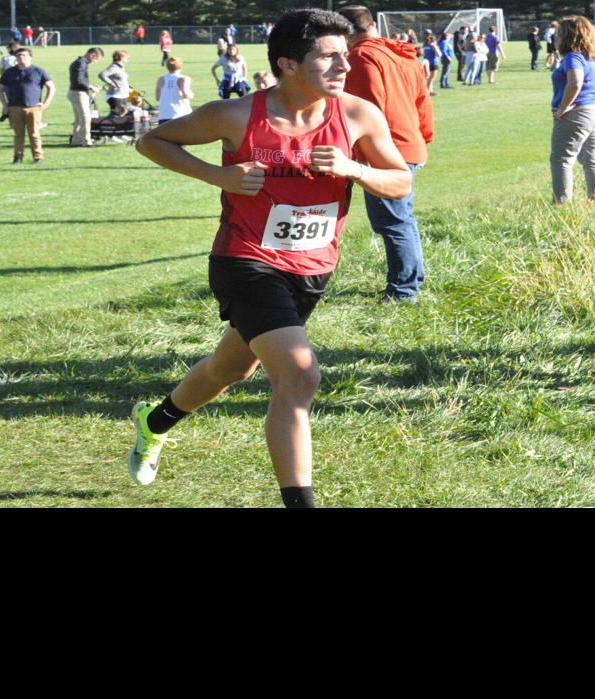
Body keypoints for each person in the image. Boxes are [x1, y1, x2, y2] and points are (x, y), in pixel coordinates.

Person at [128, 8, 413, 507]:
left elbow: (402, 181)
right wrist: (221, 177)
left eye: (344, 56)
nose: (343, 67)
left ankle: (156, 422)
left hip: (312, 268)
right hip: (245, 259)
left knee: (230, 369)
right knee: (299, 374)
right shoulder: (237, 115)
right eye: (327, 58)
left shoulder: (357, 115)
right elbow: (151, 141)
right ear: (287, 64)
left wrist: (355, 169)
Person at [337, 6, 434, 303]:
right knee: (402, 218)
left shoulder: (362, 57)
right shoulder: (402, 54)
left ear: (347, 32)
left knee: (392, 222)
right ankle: (411, 280)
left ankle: (404, 290)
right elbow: (423, 103)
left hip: (386, 150)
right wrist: (424, 140)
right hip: (408, 144)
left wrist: (361, 153)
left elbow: (368, 111)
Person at [550, 15, 595, 203]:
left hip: (577, 113)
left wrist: (563, 108)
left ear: (566, 35)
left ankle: (562, 204)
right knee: (592, 160)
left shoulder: (573, 57)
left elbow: (575, 82)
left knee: (561, 160)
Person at [0, 46, 53, 164]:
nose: (21, 57)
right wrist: (5, 104)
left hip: (33, 108)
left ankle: (38, 157)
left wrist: (46, 103)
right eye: (18, 56)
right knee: (18, 134)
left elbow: (51, 87)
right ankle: (18, 157)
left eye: (24, 55)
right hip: (15, 107)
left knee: (34, 134)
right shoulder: (10, 72)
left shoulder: (38, 71)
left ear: (30, 57)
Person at [68, 47, 102, 147]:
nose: (96, 61)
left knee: (79, 119)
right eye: (97, 59)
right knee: (85, 118)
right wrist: (90, 87)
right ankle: (86, 141)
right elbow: (79, 81)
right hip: (79, 93)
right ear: (92, 55)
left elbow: (79, 79)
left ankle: (76, 140)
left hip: (75, 92)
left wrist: (91, 86)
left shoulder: (80, 62)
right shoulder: (81, 63)